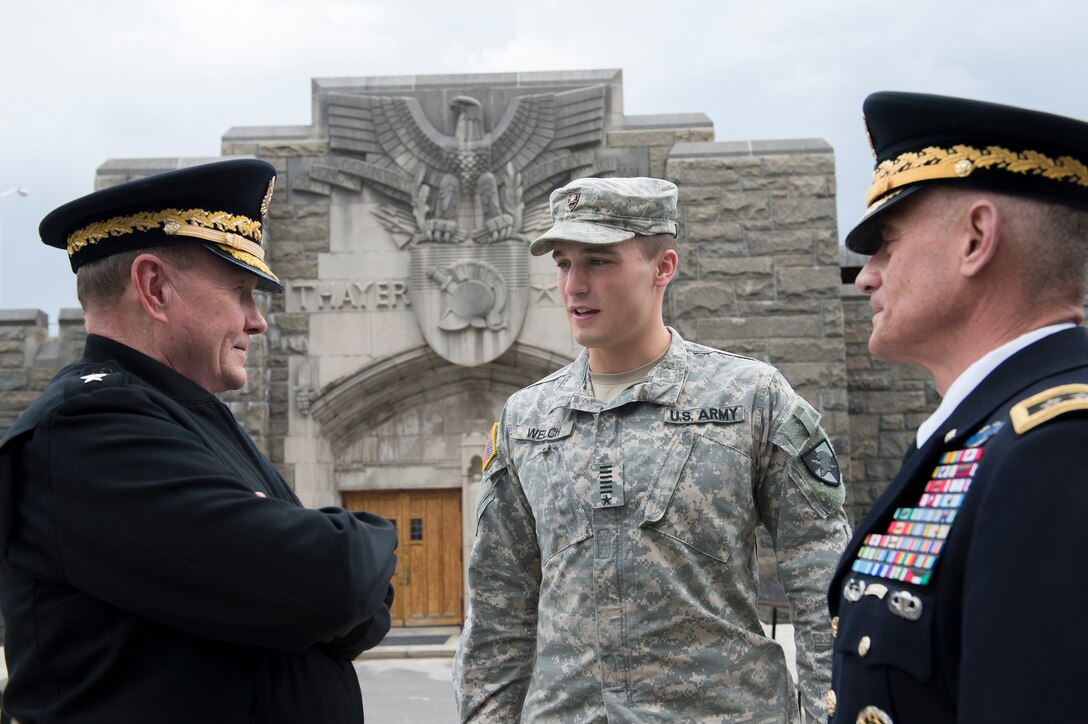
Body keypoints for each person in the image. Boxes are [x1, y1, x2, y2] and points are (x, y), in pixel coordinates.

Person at [0, 159, 398, 723]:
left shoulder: (187, 417)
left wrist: (339, 575)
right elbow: (331, 586)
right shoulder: (88, 429)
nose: (257, 321)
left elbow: (358, 607)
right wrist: (366, 543)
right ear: (154, 287)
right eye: (240, 291)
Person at [454, 176, 850, 722]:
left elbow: (822, 583)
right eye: (564, 264)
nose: (574, 285)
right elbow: (500, 611)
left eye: (599, 262)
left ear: (663, 266)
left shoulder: (749, 399)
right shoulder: (528, 419)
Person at [827, 92, 1088, 723]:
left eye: (886, 242)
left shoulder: (1055, 447)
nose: (865, 275)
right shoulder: (982, 435)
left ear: (975, 239)